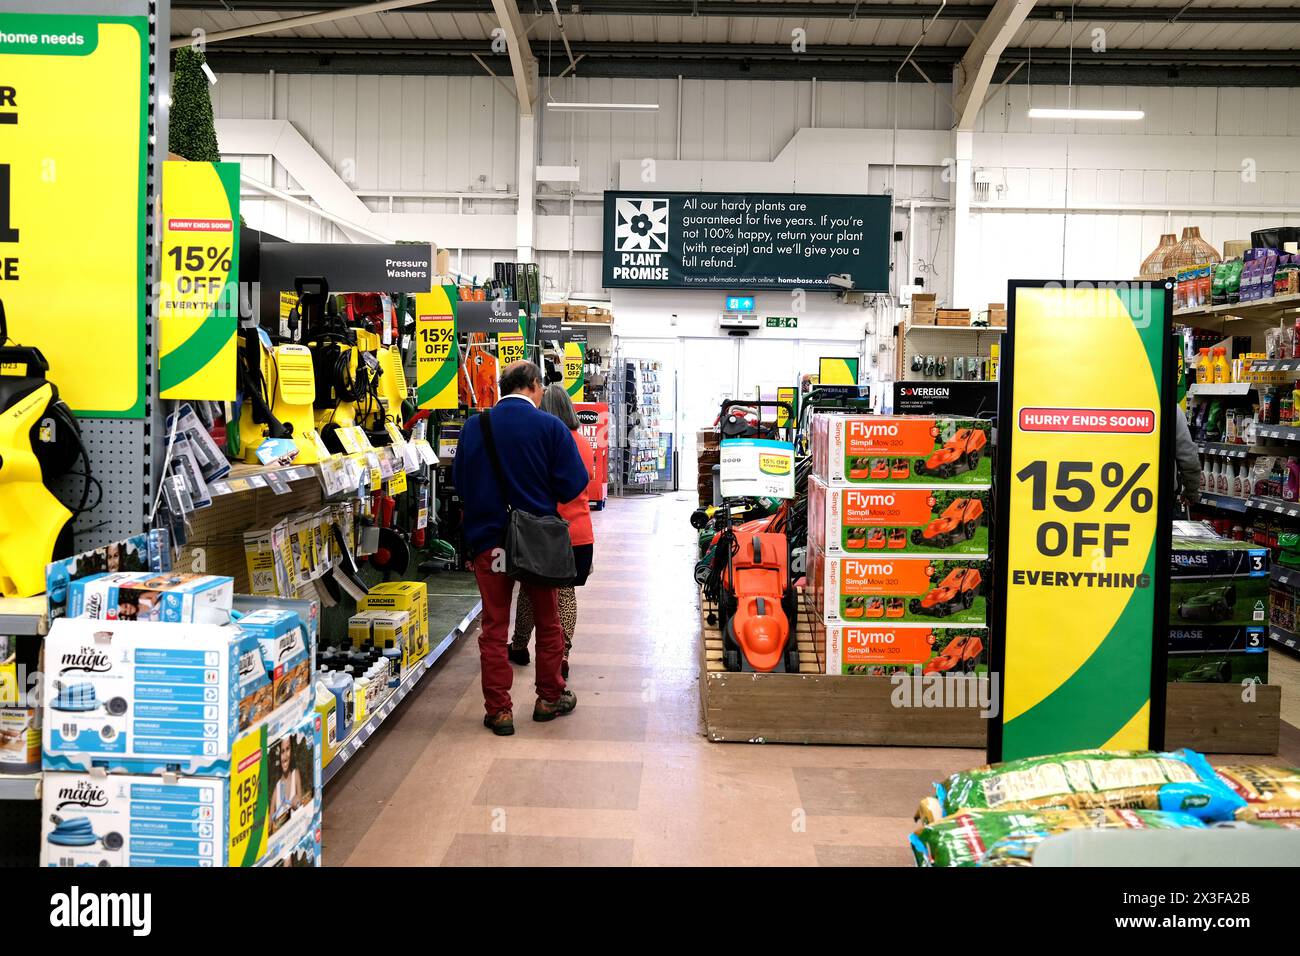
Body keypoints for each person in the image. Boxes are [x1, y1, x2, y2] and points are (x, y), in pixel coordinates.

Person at [452, 360, 589, 736]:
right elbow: (573, 484)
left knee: (494, 626)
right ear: (532, 384)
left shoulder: (474, 427)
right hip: (536, 544)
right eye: (542, 386)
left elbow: (460, 483)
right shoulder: (550, 427)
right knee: (548, 622)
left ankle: (499, 710)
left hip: (488, 541)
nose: (544, 392)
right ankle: (549, 698)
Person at [509, 384, 595, 679]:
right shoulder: (582, 443)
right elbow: (587, 481)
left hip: (545, 532)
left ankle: (519, 645)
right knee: (567, 592)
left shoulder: (541, 440)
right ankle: (564, 653)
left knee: (531, 590)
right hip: (580, 532)